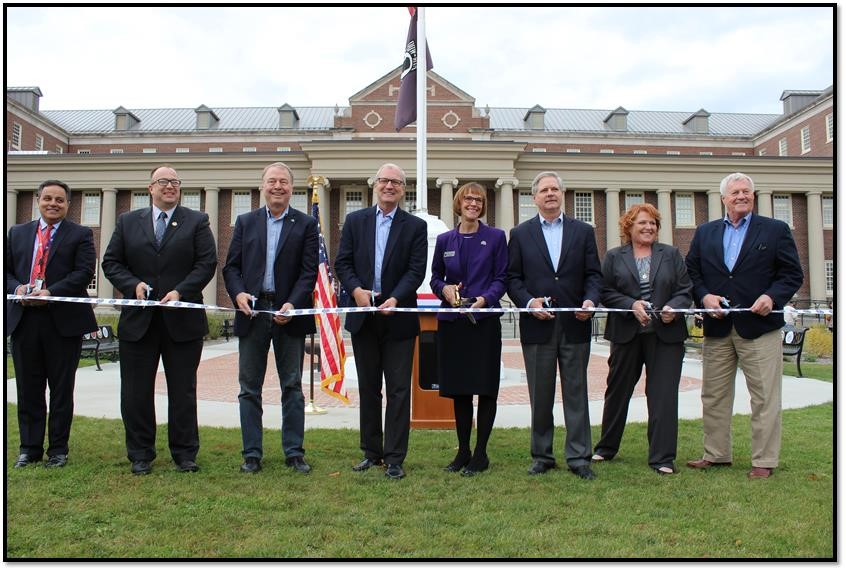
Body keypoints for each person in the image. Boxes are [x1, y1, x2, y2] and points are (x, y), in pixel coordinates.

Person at [685, 172, 803, 479]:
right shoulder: (705, 233)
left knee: (764, 396)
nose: (742, 196)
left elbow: (791, 274)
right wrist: (704, 297)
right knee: (713, 394)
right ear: (723, 198)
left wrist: (771, 296)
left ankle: (764, 460)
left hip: (760, 327)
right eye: (735, 192)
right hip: (718, 328)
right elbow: (692, 274)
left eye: (747, 192)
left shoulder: (775, 230)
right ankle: (716, 453)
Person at [102, 165, 217, 475]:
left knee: (183, 390)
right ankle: (140, 454)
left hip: (182, 321)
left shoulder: (197, 221)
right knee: (136, 391)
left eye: (175, 182)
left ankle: (184, 453)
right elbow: (111, 262)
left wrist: (181, 291)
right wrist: (132, 284)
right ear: (150, 187)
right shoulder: (128, 222)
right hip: (139, 322)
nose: (170, 186)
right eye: (163, 181)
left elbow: (207, 263)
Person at [223, 162, 318, 475]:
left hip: (288, 313)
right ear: (262, 186)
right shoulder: (245, 221)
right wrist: (237, 294)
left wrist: (292, 303)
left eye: (284, 182)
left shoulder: (305, 224)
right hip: (252, 313)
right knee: (249, 387)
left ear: (292, 188)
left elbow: (308, 272)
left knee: (292, 386)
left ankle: (294, 453)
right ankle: (252, 454)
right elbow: (231, 268)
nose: (278, 187)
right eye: (272, 181)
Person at [506, 171, 602, 480]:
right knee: (541, 393)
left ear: (562, 194)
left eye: (555, 189)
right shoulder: (520, 234)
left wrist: (590, 301)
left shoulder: (583, 231)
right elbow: (513, 279)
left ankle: (579, 457)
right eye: (544, 190)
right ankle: (542, 455)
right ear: (534, 197)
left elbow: (593, 275)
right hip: (537, 326)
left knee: (576, 392)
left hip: (575, 323)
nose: (550, 194)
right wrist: (529, 302)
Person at [334, 163, 427, 480]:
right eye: (385, 180)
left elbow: (416, 271)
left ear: (403, 189)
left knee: (400, 390)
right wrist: (356, 290)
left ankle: (395, 457)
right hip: (363, 316)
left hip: (398, 318)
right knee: (369, 388)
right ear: (375, 184)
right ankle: (371, 453)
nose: (390, 186)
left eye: (396, 182)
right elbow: (342, 262)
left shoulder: (415, 226)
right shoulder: (355, 221)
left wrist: (396, 298)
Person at [591, 204, 692, 475]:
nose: (649, 227)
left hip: (666, 336)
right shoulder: (614, 256)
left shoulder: (671, 254)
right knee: (618, 391)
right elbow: (605, 291)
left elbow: (685, 290)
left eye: (653, 223)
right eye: (642, 223)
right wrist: (630, 304)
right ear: (629, 227)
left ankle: (662, 457)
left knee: (663, 396)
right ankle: (606, 447)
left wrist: (673, 307)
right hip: (626, 333)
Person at [5, 180, 98, 469]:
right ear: (37, 200)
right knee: (28, 388)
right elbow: (6, 271)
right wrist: (19, 288)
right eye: (47, 198)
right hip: (24, 319)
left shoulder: (80, 234)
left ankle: (58, 449)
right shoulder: (17, 233)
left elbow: (83, 272)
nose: (53, 204)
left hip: (62, 321)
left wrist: (51, 292)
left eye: (59, 200)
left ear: (68, 204)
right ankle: (29, 448)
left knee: (60, 390)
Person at [430, 182, 507, 477]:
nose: (473, 203)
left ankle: (481, 452)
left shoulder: (496, 237)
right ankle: (463, 450)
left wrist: (486, 300)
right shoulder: (445, 240)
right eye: (468, 199)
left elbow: (502, 277)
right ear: (459, 204)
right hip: (453, 324)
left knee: (486, 389)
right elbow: (435, 277)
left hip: (484, 324)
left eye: (478, 199)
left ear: (483, 206)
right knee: (460, 390)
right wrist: (445, 289)